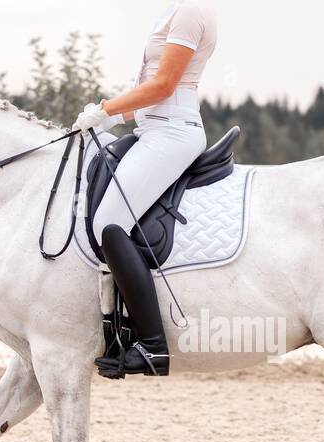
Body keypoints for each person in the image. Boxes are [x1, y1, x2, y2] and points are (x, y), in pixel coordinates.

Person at [71, 1, 218, 377]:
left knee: (109, 223)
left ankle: (152, 345)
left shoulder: (191, 12)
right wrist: (111, 118)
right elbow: (146, 93)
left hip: (173, 133)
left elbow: (164, 85)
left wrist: (105, 108)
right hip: (151, 130)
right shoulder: (168, 14)